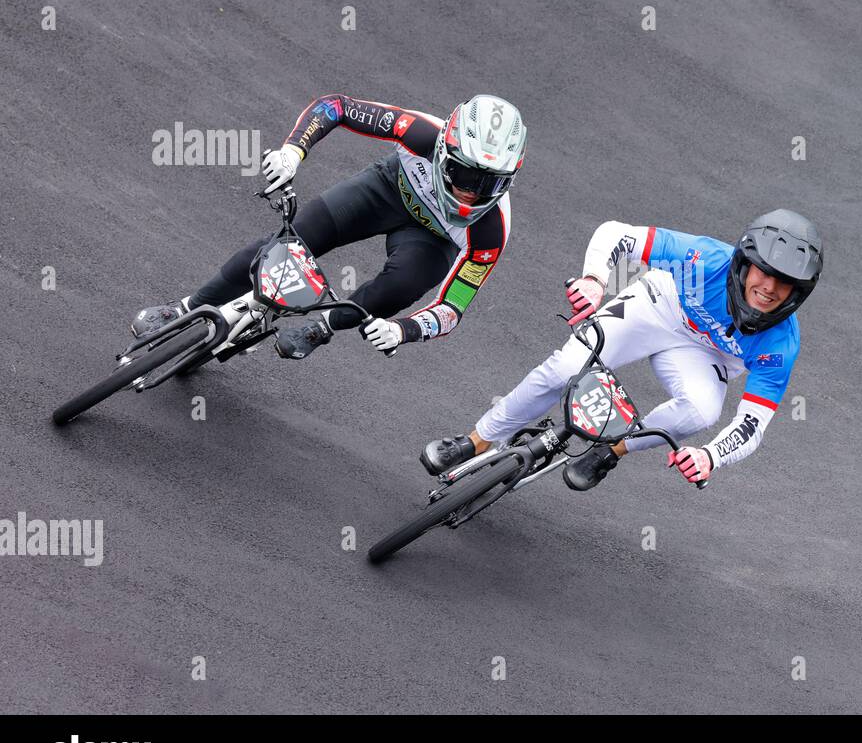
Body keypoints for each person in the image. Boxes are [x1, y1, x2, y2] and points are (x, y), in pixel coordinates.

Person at [412, 211, 823, 490]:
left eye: (784, 283)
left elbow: (753, 423)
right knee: (565, 369)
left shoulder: (781, 343)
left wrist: (712, 456)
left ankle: (611, 450)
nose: (769, 289)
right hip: (660, 307)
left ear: (798, 293)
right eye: (764, 273)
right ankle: (478, 439)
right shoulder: (706, 258)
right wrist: (595, 278)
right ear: (743, 264)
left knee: (703, 412)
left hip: (706, 358)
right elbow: (616, 234)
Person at [131, 93, 524, 358]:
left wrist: (405, 330)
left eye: (487, 183)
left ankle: (323, 327)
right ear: (442, 150)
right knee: (287, 242)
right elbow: (336, 107)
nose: (470, 193)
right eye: (461, 173)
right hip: (388, 190)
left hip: (432, 240)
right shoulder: (422, 131)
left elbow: (453, 308)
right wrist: (292, 152)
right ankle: (186, 306)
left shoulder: (491, 232)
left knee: (398, 288)